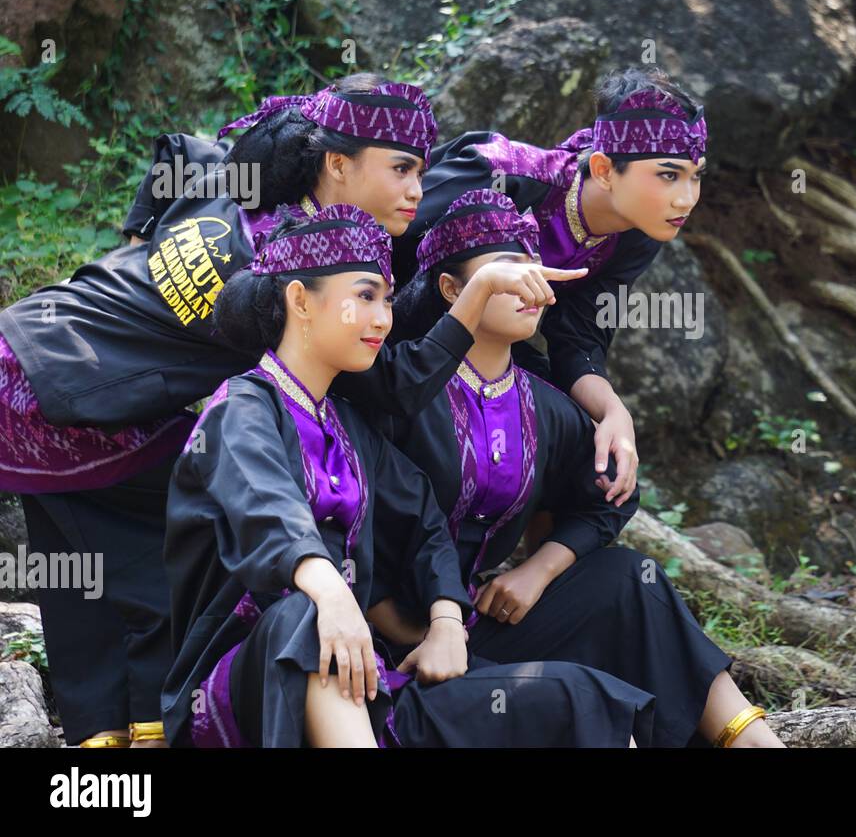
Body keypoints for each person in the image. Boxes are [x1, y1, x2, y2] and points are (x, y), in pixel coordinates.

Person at [1, 73, 584, 747]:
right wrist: (475, 297)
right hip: (56, 395)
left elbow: (183, 154)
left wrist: (140, 242)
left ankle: (107, 734)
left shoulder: (254, 193)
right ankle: (165, 720)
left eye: (421, 171)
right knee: (189, 533)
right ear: (337, 163)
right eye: (400, 168)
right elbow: (390, 389)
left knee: (93, 557)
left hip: (35, 351)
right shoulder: (297, 261)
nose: (416, 191)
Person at [163, 204, 655, 748]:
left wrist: (446, 621)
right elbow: (266, 511)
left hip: (364, 677)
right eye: (365, 296)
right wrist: (331, 594)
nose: (382, 319)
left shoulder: (351, 426)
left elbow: (424, 521)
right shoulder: (240, 410)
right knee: (300, 613)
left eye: (388, 300)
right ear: (300, 300)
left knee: (579, 699)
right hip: (245, 693)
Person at [370, 189, 783, 748]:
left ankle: (751, 741)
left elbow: (607, 497)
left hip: (476, 625)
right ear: (452, 290)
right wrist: (422, 627)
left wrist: (536, 570)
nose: (529, 284)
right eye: (505, 272)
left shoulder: (547, 407)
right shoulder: (398, 393)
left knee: (628, 580)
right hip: (392, 645)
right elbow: (345, 527)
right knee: (577, 694)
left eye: (533, 267)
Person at [395, 66, 709, 510]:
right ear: (603, 169)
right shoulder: (503, 172)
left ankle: (533, 569)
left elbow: (577, 339)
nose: (686, 198)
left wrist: (614, 411)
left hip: (485, 355)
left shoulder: (637, 234)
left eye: (696, 175)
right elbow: (379, 235)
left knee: (593, 452)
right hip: (389, 336)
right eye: (668, 175)